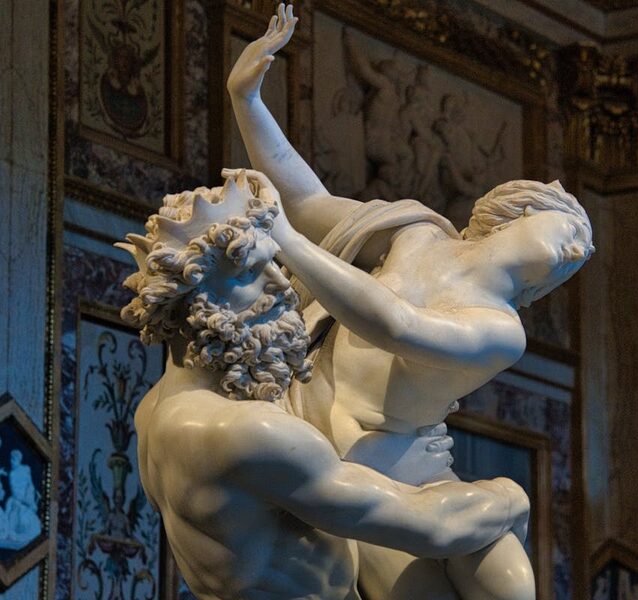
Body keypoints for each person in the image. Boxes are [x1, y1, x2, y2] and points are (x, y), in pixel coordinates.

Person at [227, 5, 593, 599]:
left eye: (580, 257)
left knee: (508, 584)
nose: (576, 252)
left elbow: (395, 325)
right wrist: (247, 100)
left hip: (418, 476)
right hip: (346, 467)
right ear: (524, 208)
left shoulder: (502, 329)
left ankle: (507, 506)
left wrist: (285, 241)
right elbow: (308, 202)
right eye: (573, 230)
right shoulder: (414, 229)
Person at [117, 175, 530, 600]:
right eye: (255, 270)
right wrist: (510, 495)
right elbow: (433, 526)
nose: (283, 285)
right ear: (201, 299)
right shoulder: (247, 432)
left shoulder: (154, 409)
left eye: (275, 263)